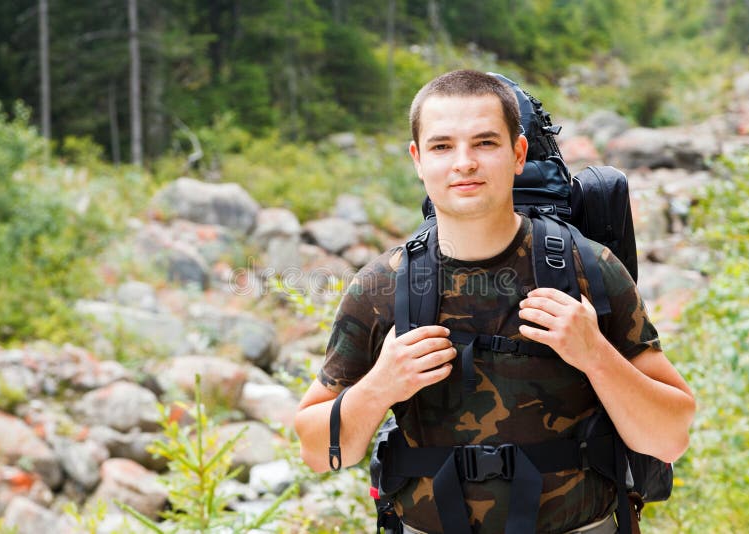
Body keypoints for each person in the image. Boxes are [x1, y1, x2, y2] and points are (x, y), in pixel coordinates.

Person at [294, 69, 695, 533]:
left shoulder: (588, 268)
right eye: (442, 146)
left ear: (518, 152)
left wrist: (595, 355)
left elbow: (670, 438)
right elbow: (314, 451)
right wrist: (379, 387)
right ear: (418, 159)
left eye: (485, 142)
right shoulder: (383, 287)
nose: (464, 163)